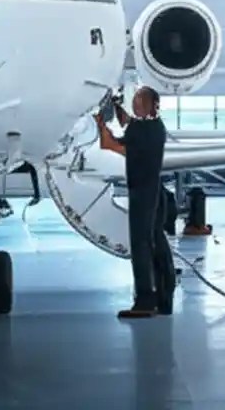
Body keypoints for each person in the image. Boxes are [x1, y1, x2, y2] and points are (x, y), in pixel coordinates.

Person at [96, 86, 176, 318]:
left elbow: (110, 145)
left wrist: (100, 122)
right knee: (156, 241)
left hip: (143, 192)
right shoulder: (151, 126)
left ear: (151, 105)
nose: (135, 104)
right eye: (135, 100)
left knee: (141, 244)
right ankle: (163, 298)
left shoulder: (145, 130)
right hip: (154, 190)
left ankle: (145, 300)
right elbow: (128, 124)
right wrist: (114, 106)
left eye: (140, 101)